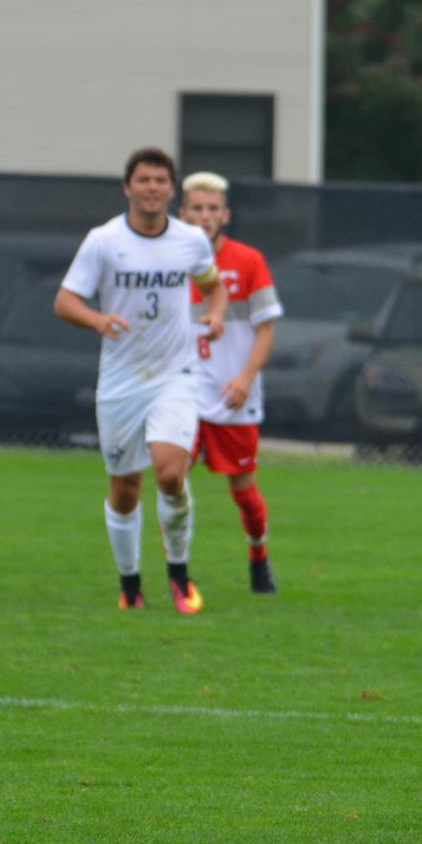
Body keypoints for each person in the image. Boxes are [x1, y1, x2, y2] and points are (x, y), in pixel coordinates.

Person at [54, 147, 226, 613]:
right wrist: (97, 320)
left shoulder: (191, 240)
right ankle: (130, 586)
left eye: (160, 180)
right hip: (121, 382)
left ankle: (179, 575)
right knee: (126, 488)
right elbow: (65, 301)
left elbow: (214, 285)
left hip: (175, 374)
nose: (152, 188)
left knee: (171, 474)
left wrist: (215, 314)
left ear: (172, 189)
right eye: (144, 180)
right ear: (128, 187)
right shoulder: (104, 241)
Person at [179, 172, 284, 594]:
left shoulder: (248, 260)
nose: (204, 216)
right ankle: (178, 572)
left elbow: (266, 330)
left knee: (243, 491)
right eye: (196, 208)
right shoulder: (170, 259)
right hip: (182, 392)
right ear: (182, 213)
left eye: (212, 209)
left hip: (232, 395)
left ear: (225, 215)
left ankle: (258, 553)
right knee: (172, 480)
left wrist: (244, 378)